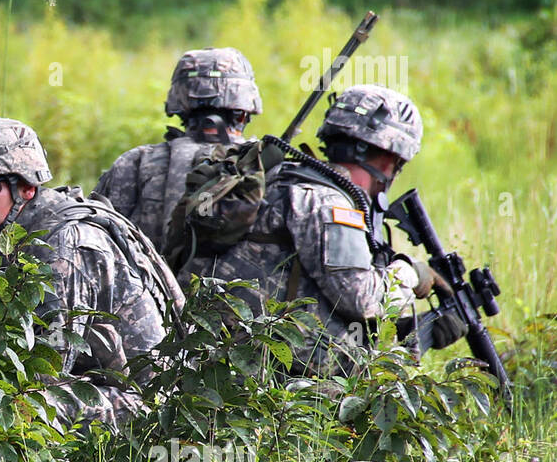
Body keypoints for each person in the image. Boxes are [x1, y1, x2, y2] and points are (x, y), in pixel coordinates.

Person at [0, 118, 186, 428]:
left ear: (27, 187)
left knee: (23, 405)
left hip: (144, 406)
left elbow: (41, 370)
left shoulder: (64, 245)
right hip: (89, 383)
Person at [179, 84, 463, 370]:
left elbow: (307, 293)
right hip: (270, 383)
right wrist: (410, 273)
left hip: (226, 359)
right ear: (390, 157)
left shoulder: (282, 177)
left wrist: (407, 329)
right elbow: (360, 298)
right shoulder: (328, 203)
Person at [95, 47, 261, 250]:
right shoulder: (264, 167)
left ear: (179, 105)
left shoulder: (132, 164)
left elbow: (95, 240)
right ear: (244, 111)